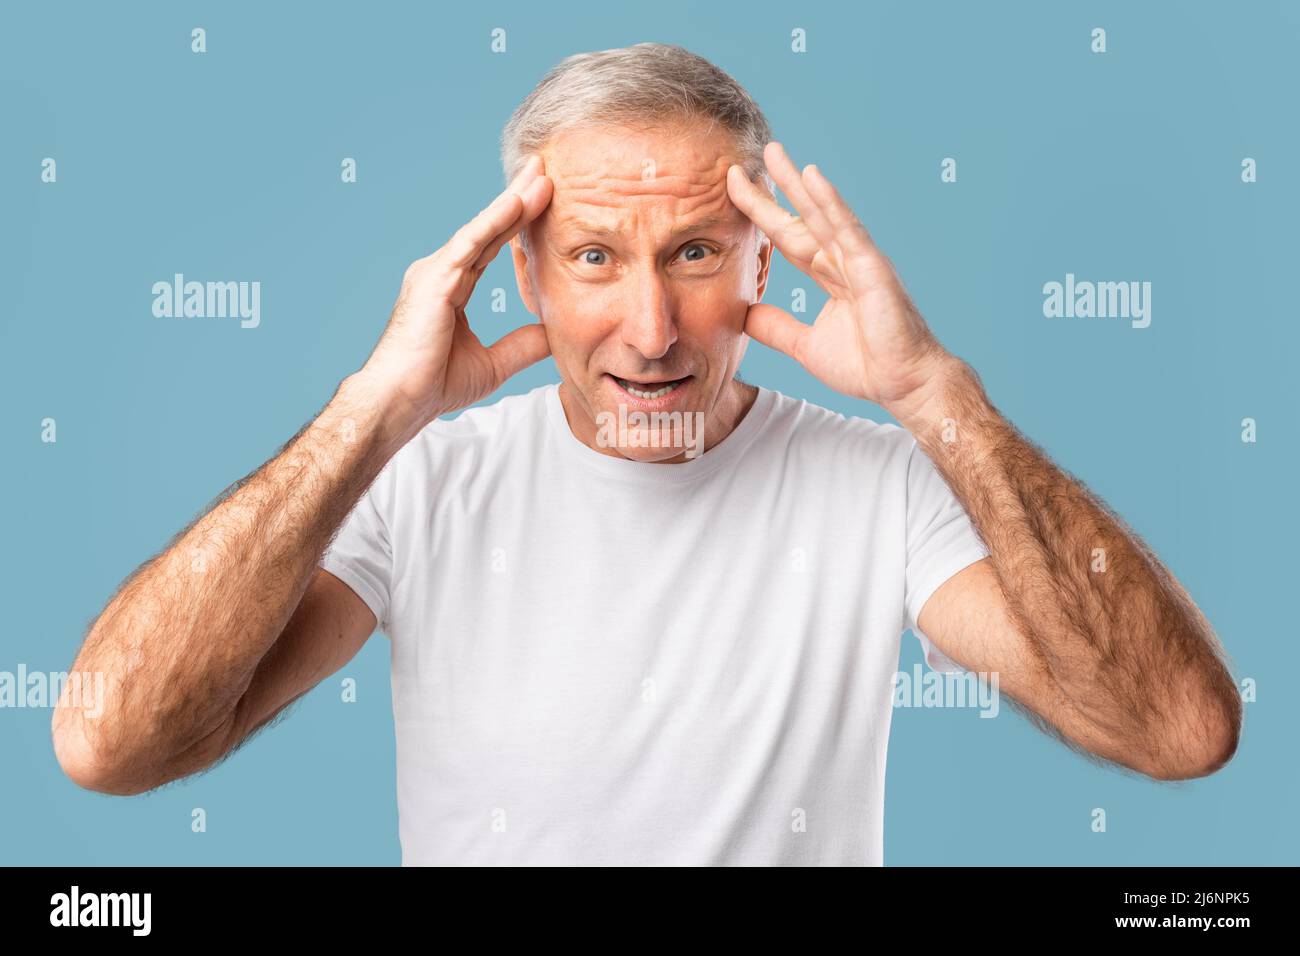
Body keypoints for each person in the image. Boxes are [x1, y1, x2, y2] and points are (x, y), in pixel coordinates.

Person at [52, 43, 1241, 866]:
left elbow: (1180, 730)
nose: (651, 331)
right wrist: (371, 410)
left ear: (763, 263)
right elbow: (110, 742)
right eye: (592, 258)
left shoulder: (879, 489)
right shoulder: (419, 486)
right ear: (521, 271)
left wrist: (941, 399)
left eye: (693, 253)